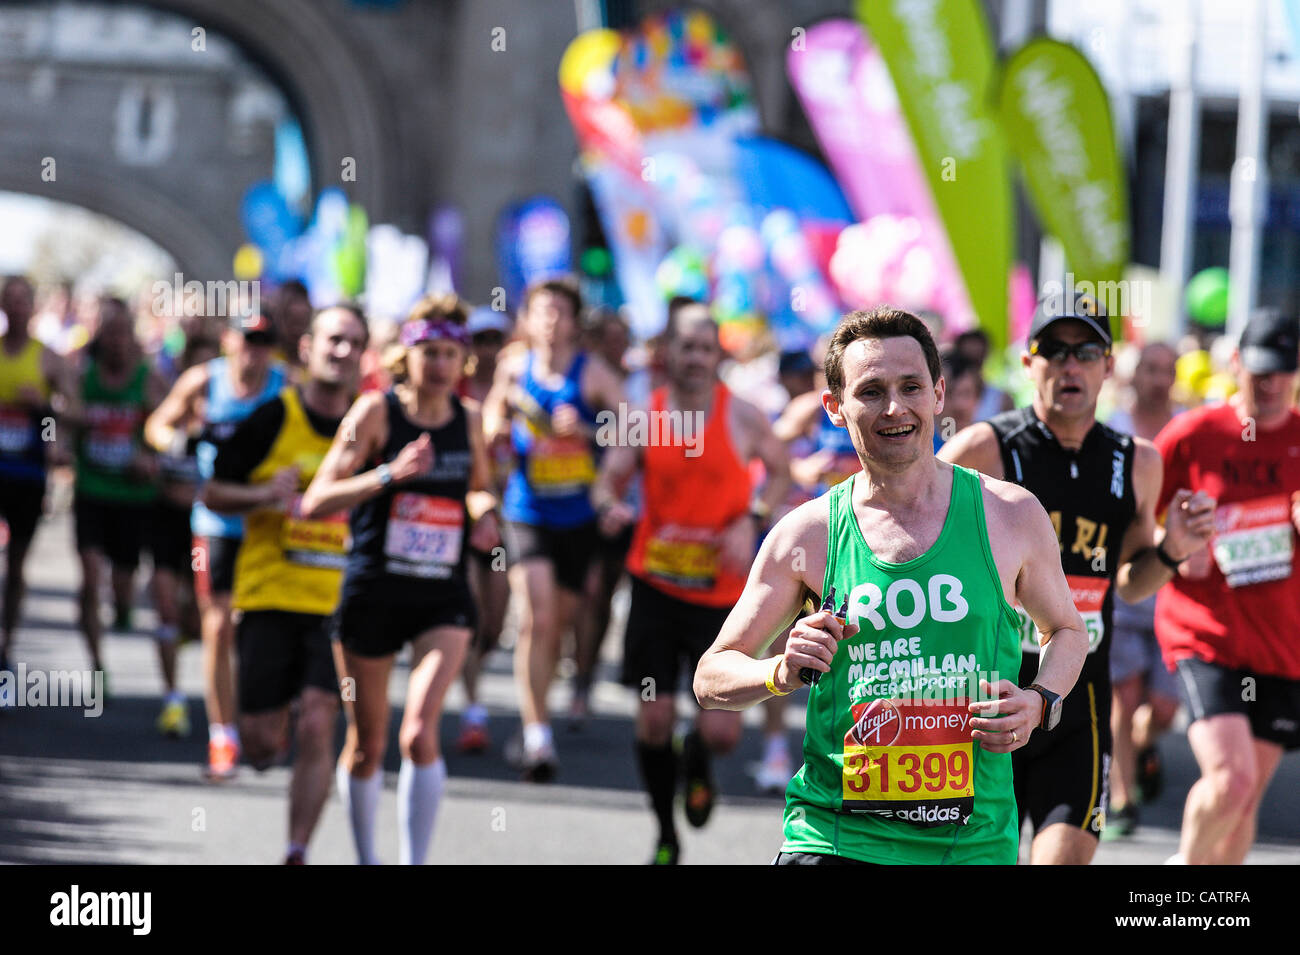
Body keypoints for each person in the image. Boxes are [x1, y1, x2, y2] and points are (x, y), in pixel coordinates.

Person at [694, 306, 1090, 865]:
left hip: (969, 843)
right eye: (871, 391)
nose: (895, 408)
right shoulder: (807, 533)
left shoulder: (1010, 515)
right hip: (834, 839)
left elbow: (1068, 631)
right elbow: (711, 676)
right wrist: (778, 672)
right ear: (834, 406)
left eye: (911, 387)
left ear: (939, 394)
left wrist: (1040, 700)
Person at [938, 293, 1212, 864]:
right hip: (985, 696)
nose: (1070, 366)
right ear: (1027, 363)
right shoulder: (983, 450)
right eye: (1054, 351)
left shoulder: (1136, 460)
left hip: (1079, 699)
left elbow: (1133, 582)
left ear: (1108, 366)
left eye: (1086, 351)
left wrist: (1172, 550)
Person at [302, 293, 501, 865]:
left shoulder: (468, 419)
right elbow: (315, 500)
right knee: (367, 745)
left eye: (449, 353)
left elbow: (478, 486)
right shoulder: (373, 414)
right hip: (374, 590)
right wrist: (388, 473)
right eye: (427, 351)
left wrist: (483, 514)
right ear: (405, 355)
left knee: (418, 734)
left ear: (462, 360)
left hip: (441, 594)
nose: (439, 364)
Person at [593, 298, 790, 864]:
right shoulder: (646, 413)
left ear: (716, 355)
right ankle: (665, 831)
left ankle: (698, 761)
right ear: (667, 353)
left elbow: (780, 470)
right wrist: (608, 505)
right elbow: (609, 480)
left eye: (707, 348)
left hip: (723, 597)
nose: (697, 358)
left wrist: (751, 518)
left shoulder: (743, 415)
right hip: (655, 587)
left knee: (724, 732)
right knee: (654, 716)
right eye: (687, 347)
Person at [203, 305, 367, 864]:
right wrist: (264, 494)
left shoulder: (371, 427)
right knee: (262, 745)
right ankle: (275, 723)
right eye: (333, 341)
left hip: (337, 605)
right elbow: (213, 493)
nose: (342, 352)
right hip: (270, 595)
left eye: (353, 343)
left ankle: (296, 850)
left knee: (321, 719)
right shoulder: (273, 416)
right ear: (307, 349)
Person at [1152, 309, 1300, 865]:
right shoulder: (1196, 434)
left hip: (1282, 647)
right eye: (1258, 371)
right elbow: (1138, 512)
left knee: (1244, 799)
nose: (1269, 385)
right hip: (1206, 632)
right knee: (1231, 780)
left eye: (1280, 372)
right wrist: (1173, 544)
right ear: (1234, 364)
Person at [482, 278, 624, 779]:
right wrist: (497, 428)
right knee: (535, 618)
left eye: (561, 312)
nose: (551, 321)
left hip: (578, 516)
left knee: (559, 621)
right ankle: (537, 734)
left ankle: (547, 704)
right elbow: (490, 418)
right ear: (528, 316)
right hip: (527, 510)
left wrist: (586, 432)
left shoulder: (594, 373)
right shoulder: (514, 366)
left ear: (574, 321)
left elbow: (630, 434)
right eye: (542, 311)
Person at [145, 312, 287, 778]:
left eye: (265, 340)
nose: (256, 349)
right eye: (248, 339)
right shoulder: (204, 381)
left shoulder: (287, 387)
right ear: (229, 341)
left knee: (257, 628)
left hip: (270, 524)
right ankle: (222, 736)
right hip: (216, 521)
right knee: (218, 626)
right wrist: (180, 440)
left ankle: (262, 718)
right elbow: (157, 426)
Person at [69, 298, 169, 702]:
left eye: (122, 334)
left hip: (133, 496)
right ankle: (96, 665)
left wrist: (152, 456)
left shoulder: (148, 381)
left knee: (122, 580)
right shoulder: (84, 377)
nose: (115, 342)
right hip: (92, 490)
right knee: (91, 577)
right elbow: (60, 422)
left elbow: (170, 431)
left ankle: (124, 604)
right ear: (100, 338)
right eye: (108, 334)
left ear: (133, 339)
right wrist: (58, 441)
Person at [1102, 341, 1183, 836]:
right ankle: (1123, 800)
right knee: (1123, 694)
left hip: (1174, 582)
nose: (1159, 378)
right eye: (1150, 369)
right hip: (1123, 575)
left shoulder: (1186, 427)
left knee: (1166, 707)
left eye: (1167, 370)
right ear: (1131, 376)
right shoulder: (1113, 429)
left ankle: (1141, 741)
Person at [0, 275, 80, 705]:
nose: (14, 309)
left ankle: (6, 652)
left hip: (28, 476)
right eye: (7, 301)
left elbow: (68, 414)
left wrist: (44, 412)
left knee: (15, 569)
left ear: (32, 308)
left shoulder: (47, 359)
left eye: (21, 302)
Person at [148, 332, 220, 736]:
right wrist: (175, 440)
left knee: (198, 619)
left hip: (207, 528)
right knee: (165, 609)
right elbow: (153, 430)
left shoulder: (231, 415)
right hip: (167, 520)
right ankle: (173, 699)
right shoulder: (175, 410)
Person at [456, 305, 513, 753]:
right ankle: (473, 708)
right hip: (462, 515)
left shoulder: (515, 389)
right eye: (480, 341)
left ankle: (475, 667)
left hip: (511, 517)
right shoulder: (454, 390)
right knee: (471, 613)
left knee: (494, 622)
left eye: (495, 340)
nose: (487, 350)